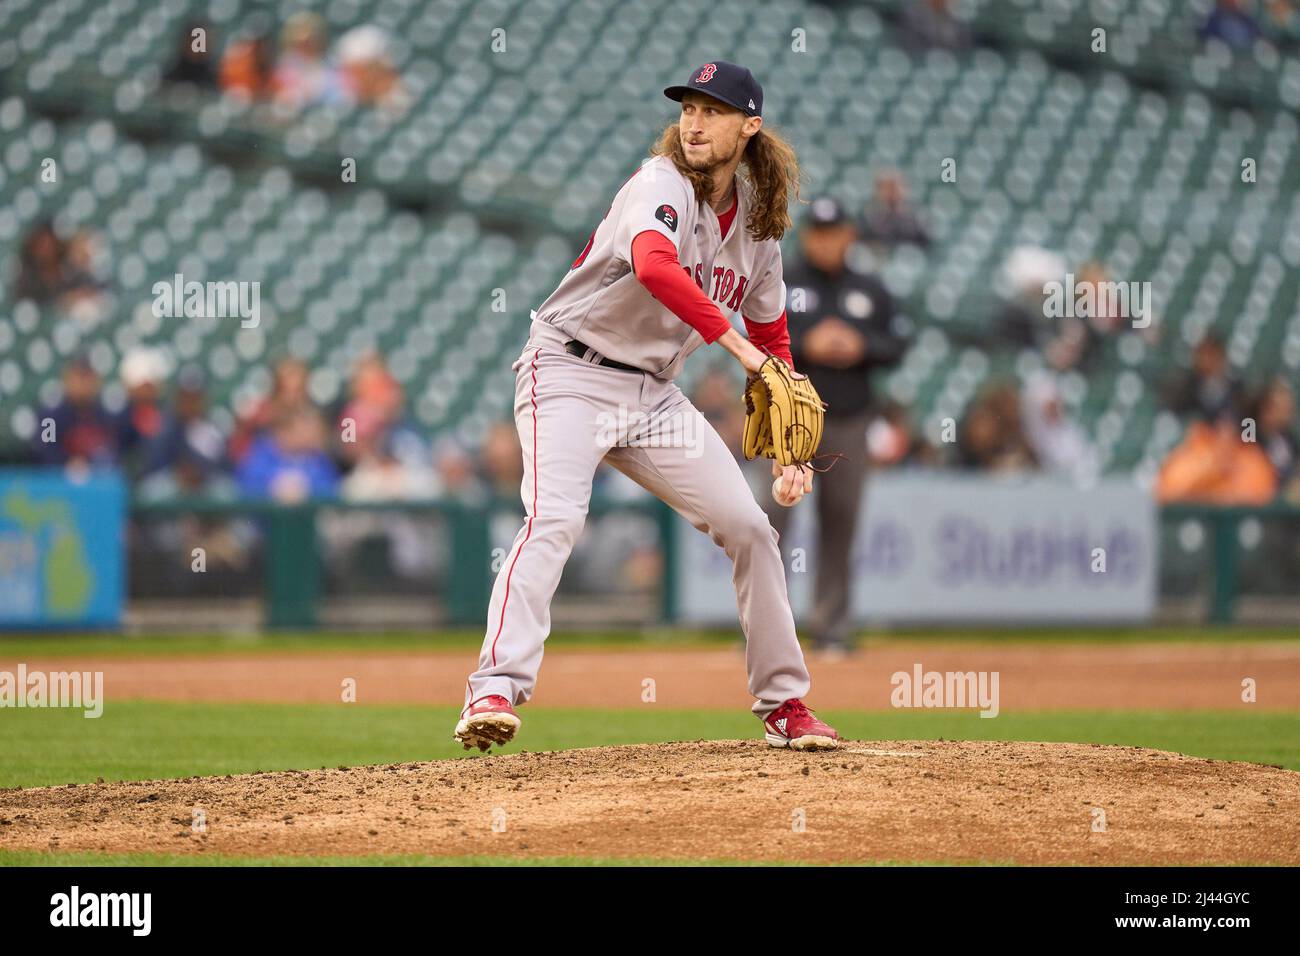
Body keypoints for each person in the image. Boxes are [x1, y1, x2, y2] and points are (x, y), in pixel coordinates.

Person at [456, 60, 839, 754]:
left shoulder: (757, 226)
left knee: (751, 529)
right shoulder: (659, 181)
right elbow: (655, 266)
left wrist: (793, 450)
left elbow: (774, 334)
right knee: (556, 518)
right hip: (570, 368)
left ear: (749, 127)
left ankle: (786, 704)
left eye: (713, 111)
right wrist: (743, 355)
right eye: (689, 108)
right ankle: (494, 687)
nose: (694, 122)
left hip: (653, 392)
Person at [766, 197, 905, 655]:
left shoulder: (871, 288)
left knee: (840, 522)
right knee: (772, 524)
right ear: (806, 236)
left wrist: (859, 344)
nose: (825, 241)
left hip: (848, 420)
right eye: (817, 232)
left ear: (849, 235)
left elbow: (898, 343)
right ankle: (768, 632)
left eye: (834, 231)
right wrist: (810, 342)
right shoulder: (782, 281)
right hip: (789, 420)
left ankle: (832, 628)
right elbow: (758, 337)